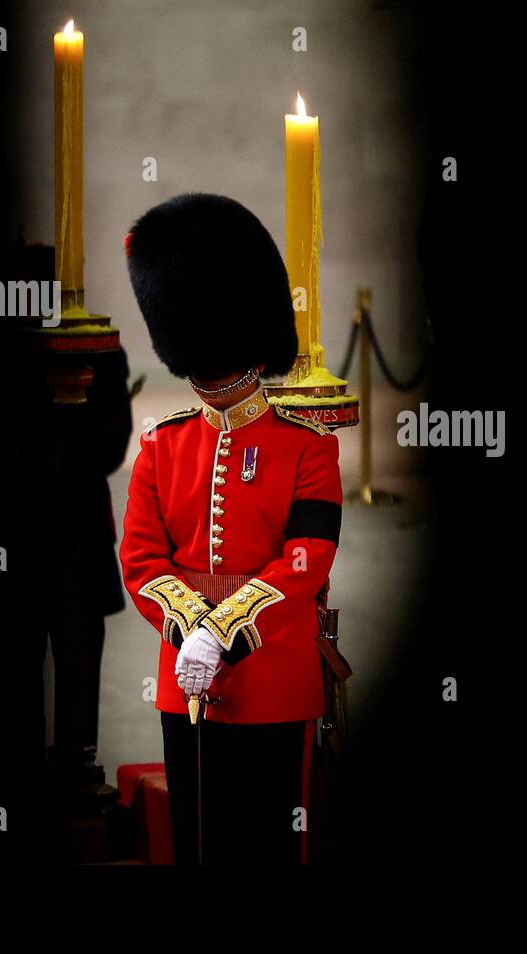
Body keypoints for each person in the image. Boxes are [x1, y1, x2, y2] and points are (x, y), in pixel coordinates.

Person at [118, 193, 342, 865]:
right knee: (198, 848)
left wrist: (224, 631)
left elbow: (309, 560)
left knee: (270, 850)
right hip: (185, 685)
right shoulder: (161, 445)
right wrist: (191, 630)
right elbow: (141, 561)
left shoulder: (308, 444)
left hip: (273, 679)